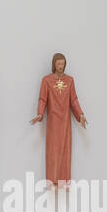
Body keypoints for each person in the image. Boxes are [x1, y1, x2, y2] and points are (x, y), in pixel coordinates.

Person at [29, 53, 87, 187]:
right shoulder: (47, 80)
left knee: (66, 150)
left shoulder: (70, 81)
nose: (61, 66)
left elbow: (74, 100)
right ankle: (52, 181)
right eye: (58, 64)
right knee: (53, 150)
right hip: (53, 121)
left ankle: (64, 180)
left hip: (65, 121)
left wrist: (81, 115)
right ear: (54, 64)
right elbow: (42, 99)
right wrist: (39, 113)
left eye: (63, 64)